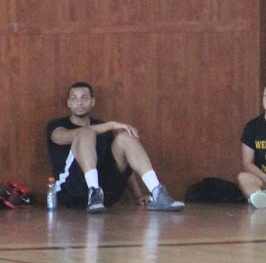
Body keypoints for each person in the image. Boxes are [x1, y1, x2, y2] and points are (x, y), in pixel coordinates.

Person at [46, 81, 183, 212]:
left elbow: (122, 166)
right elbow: (60, 138)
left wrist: (138, 196)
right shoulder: (57, 125)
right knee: (86, 132)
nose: (80, 102)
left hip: (106, 194)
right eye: (74, 99)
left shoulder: (104, 130)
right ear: (69, 103)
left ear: (92, 102)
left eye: (84, 98)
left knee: (124, 137)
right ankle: (93, 191)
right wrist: (111, 125)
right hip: (71, 191)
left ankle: (157, 192)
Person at [237, 85, 266, 207]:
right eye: (265, 96)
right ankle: (260, 198)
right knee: (243, 177)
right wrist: (264, 177)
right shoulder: (253, 127)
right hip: (262, 179)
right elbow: (247, 163)